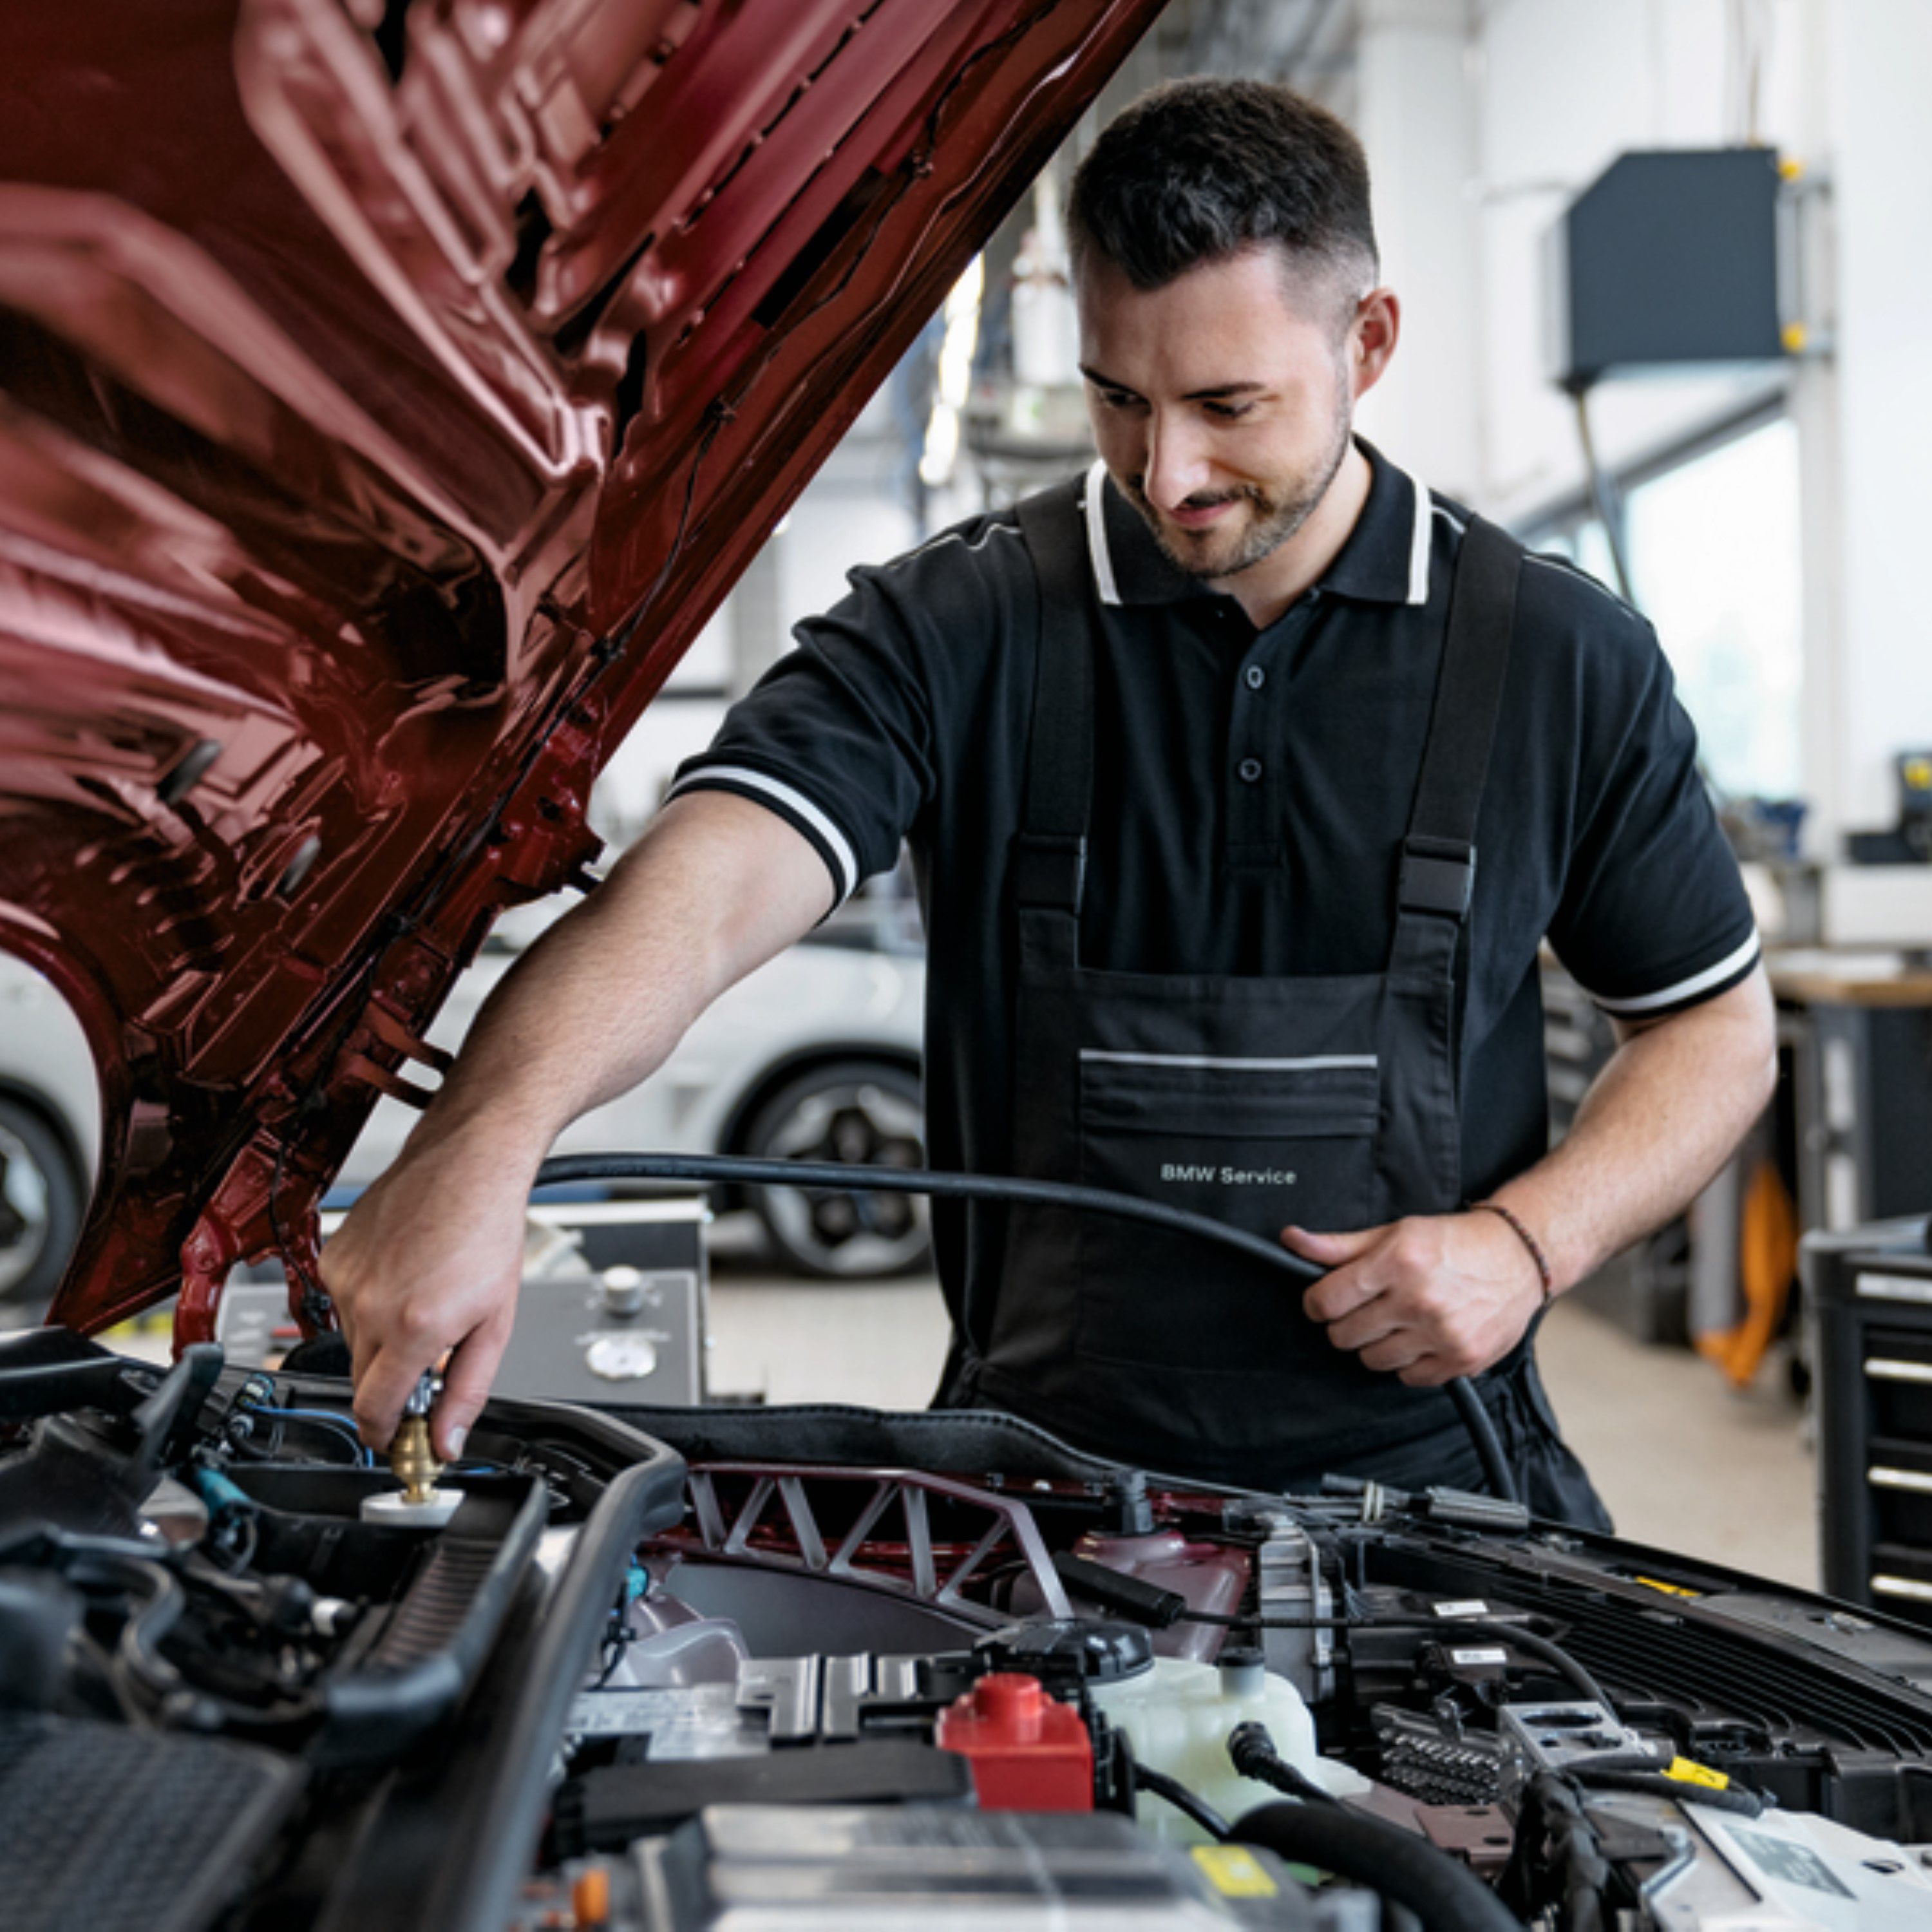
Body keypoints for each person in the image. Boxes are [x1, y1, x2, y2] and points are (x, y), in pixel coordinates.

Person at [321, 80, 1776, 1521]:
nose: (1170, 472)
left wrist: (1528, 1245)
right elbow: (701, 896)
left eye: (1228, 404)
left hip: (1441, 1495)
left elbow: (1712, 1025)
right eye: (1118, 399)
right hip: (1039, 1505)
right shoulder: (955, 625)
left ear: (1367, 341)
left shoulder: (1555, 657)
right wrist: (485, 1148)